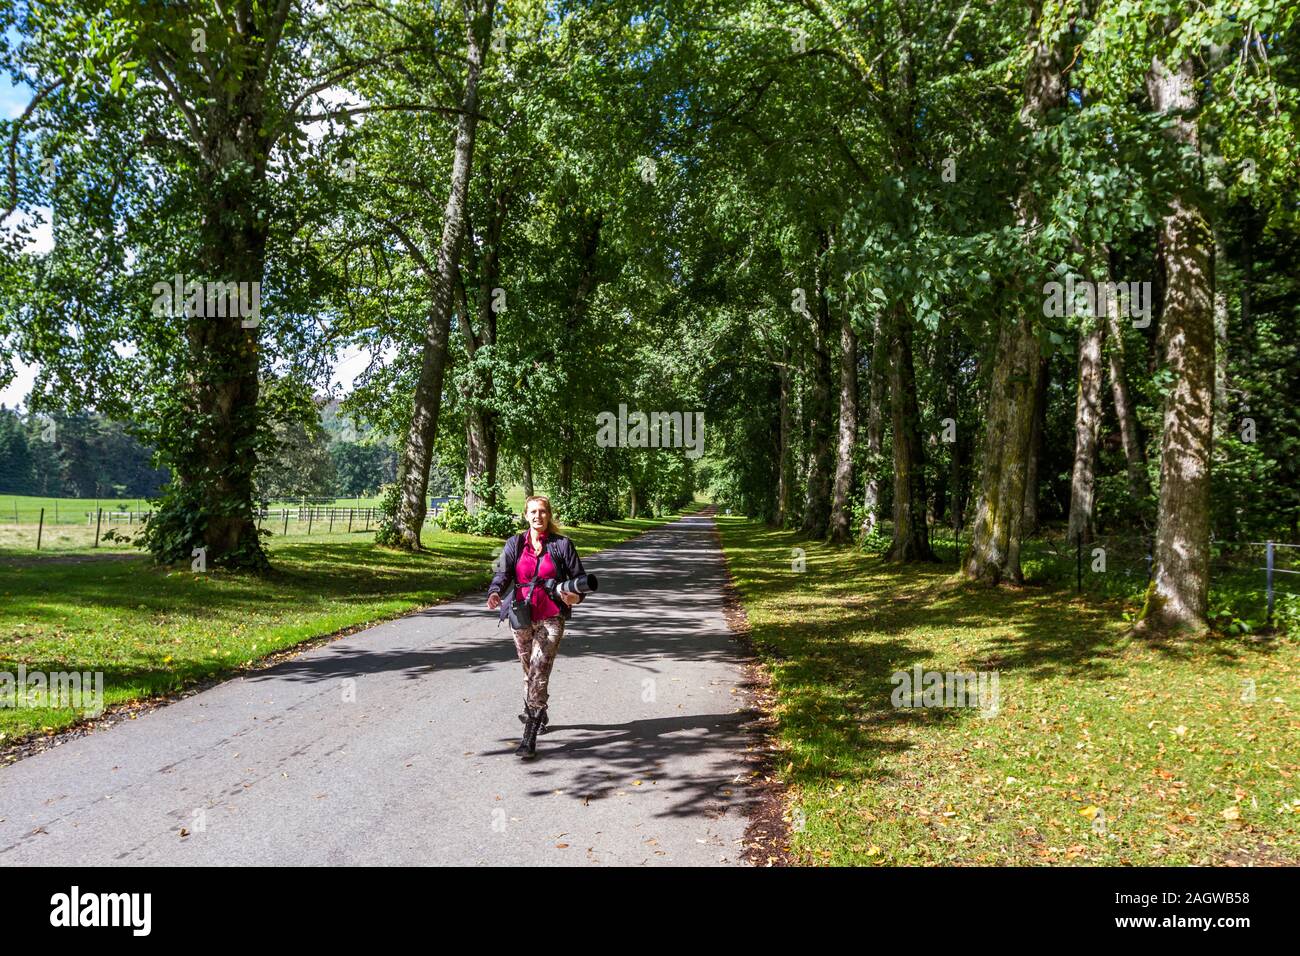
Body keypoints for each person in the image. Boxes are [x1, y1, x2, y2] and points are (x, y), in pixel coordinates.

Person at [486, 494, 589, 758]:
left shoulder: (562, 545)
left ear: (549, 515)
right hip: (521, 614)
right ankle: (538, 708)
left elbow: (580, 581)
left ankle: (529, 736)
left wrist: (575, 596)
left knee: (539, 669)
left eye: (542, 511)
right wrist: (495, 591)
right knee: (528, 668)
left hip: (551, 614)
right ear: (525, 515)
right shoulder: (514, 543)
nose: (537, 516)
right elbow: (501, 572)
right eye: (532, 512)